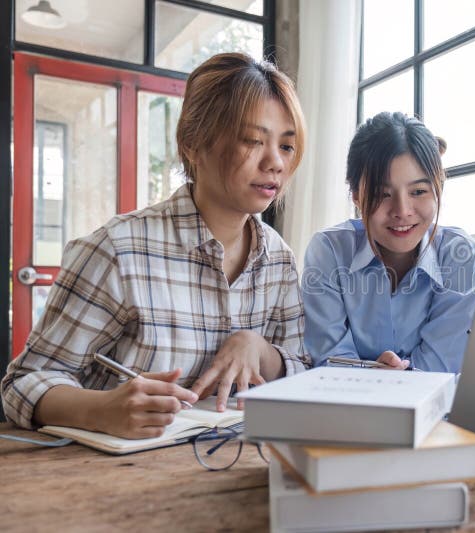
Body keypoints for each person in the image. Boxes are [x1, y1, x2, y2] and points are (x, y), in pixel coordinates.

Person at [1, 53, 311, 438]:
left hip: (234, 465)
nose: (275, 163)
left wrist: (258, 349)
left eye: (286, 146)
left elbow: (302, 372)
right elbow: (22, 384)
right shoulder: (118, 250)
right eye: (253, 140)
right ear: (193, 143)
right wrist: (100, 410)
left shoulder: (279, 260)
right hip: (118, 478)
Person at [301, 112, 475, 372]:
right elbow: (328, 360)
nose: (402, 210)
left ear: (439, 187)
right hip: (347, 407)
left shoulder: (459, 255)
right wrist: (382, 380)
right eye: (382, 194)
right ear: (355, 196)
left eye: (418, 192)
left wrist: (386, 379)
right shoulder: (329, 251)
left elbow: (443, 365)